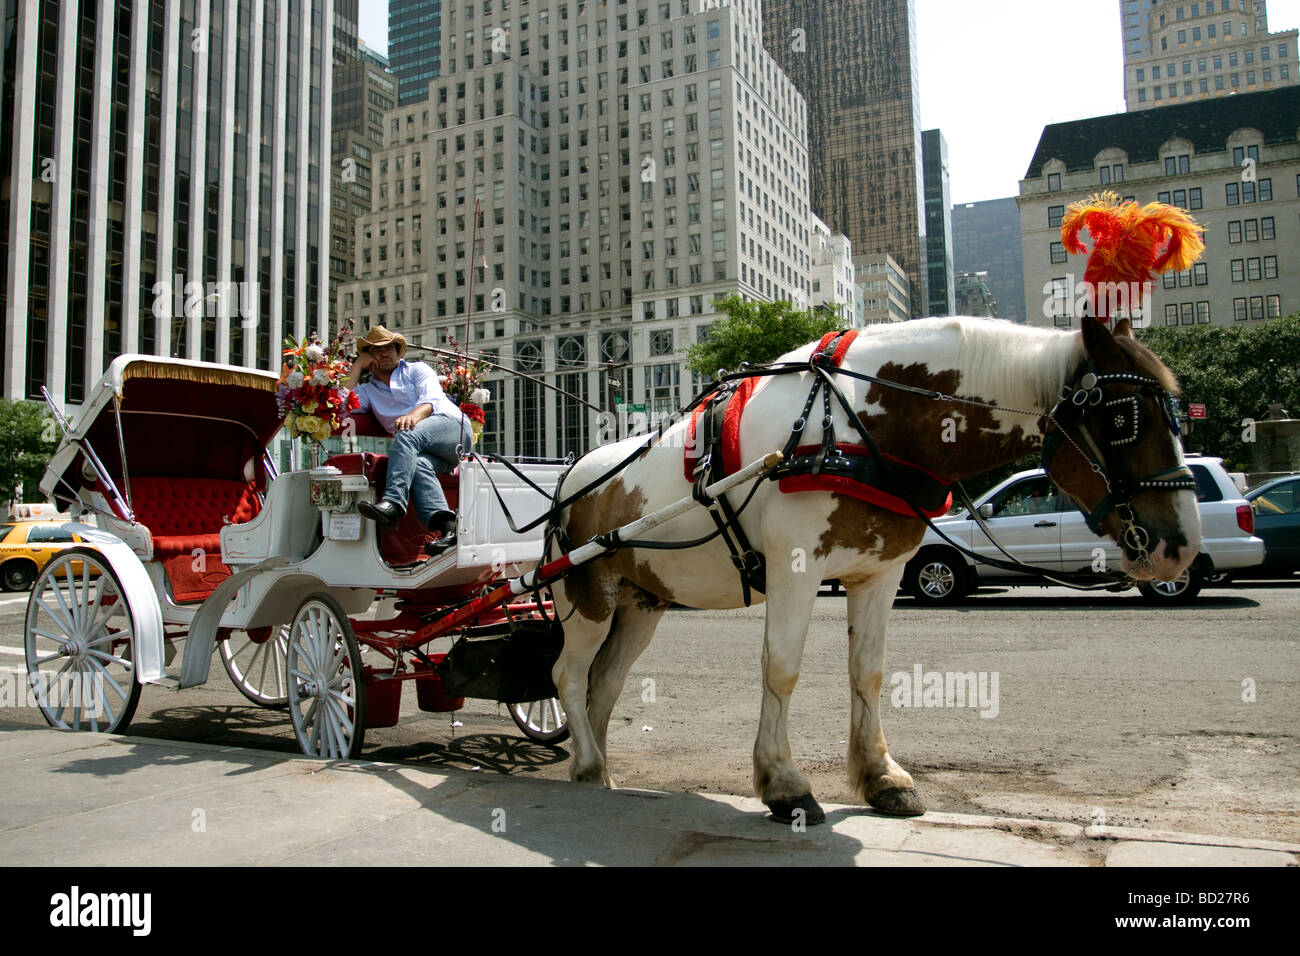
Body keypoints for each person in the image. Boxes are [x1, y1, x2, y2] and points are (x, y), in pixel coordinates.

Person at [345, 326, 472, 554]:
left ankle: (393, 504)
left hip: (453, 429)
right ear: (369, 356)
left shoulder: (417, 369)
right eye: (377, 349)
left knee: (406, 433)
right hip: (424, 449)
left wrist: (412, 417)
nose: (385, 353)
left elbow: (431, 399)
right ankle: (447, 528)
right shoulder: (367, 391)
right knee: (419, 465)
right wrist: (356, 367)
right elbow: (341, 405)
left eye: (389, 348)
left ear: (397, 351)